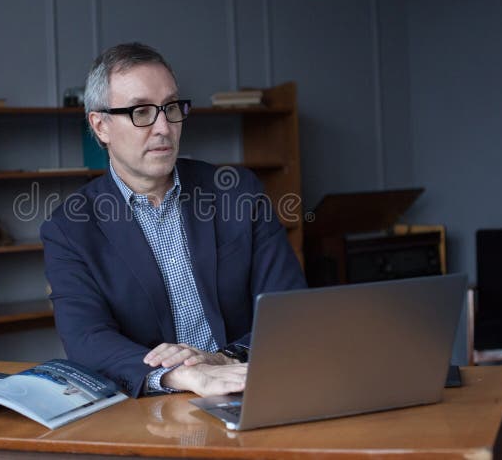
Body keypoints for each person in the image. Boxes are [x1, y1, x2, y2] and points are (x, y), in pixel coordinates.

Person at [40, 42, 306, 398]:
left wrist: (222, 360)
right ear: (101, 126)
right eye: (141, 112)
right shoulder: (68, 229)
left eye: (171, 108)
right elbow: (86, 339)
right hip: (149, 406)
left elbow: (289, 306)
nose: (164, 127)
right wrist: (179, 376)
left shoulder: (238, 192)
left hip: (249, 384)